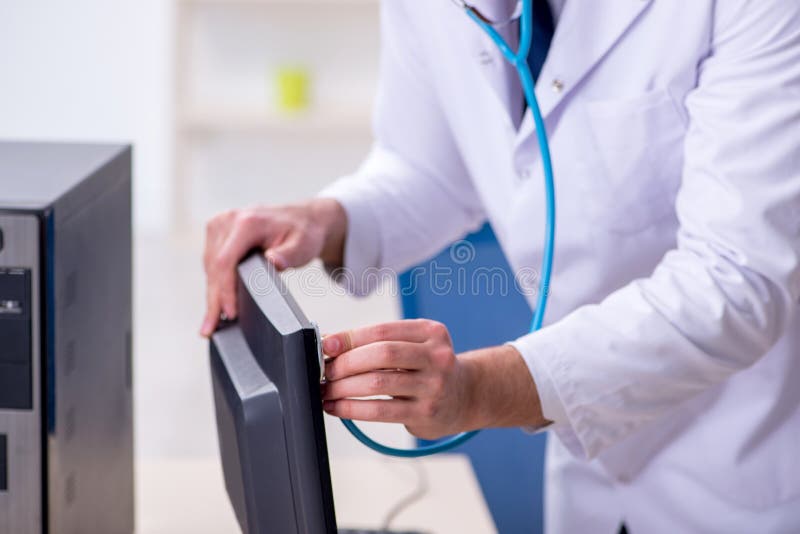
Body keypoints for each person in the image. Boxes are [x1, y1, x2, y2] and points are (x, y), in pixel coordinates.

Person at [201, 1, 800, 532]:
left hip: (741, 465)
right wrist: (326, 220)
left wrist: (481, 389)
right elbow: (429, 169)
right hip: (586, 476)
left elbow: (738, 279)